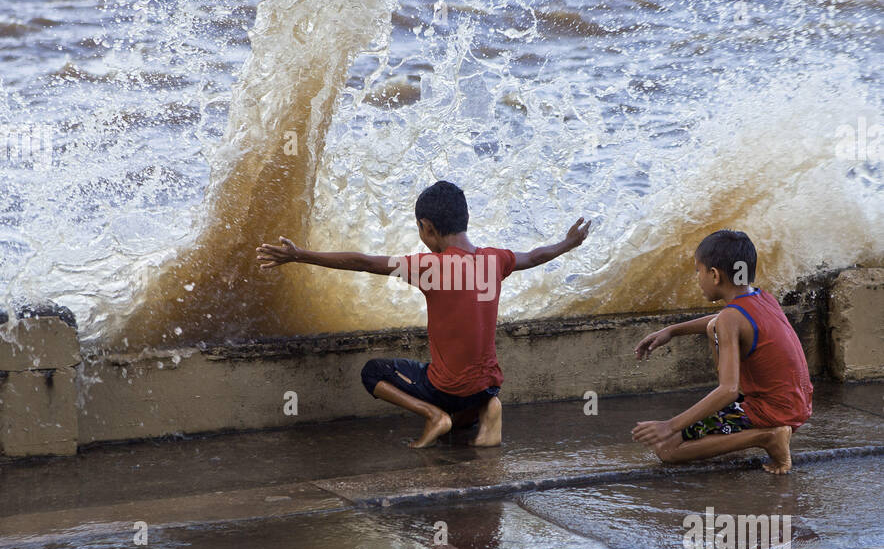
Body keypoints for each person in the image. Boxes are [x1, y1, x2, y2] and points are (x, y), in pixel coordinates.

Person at [257, 180, 590, 448]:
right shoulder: (495, 260)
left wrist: (300, 256)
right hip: (488, 385)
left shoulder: (430, 267)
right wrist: (568, 243)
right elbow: (533, 256)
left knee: (374, 373)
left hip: (448, 389)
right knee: (465, 406)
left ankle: (433, 415)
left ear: (427, 227)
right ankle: (488, 408)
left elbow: (363, 262)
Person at [631, 229, 812, 474]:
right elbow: (725, 319)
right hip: (795, 403)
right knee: (711, 327)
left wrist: (669, 426)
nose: (698, 277)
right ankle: (753, 429)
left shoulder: (730, 318)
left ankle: (768, 437)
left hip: (771, 412)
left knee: (667, 449)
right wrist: (673, 330)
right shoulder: (763, 297)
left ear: (714, 275)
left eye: (698, 271)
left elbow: (728, 390)